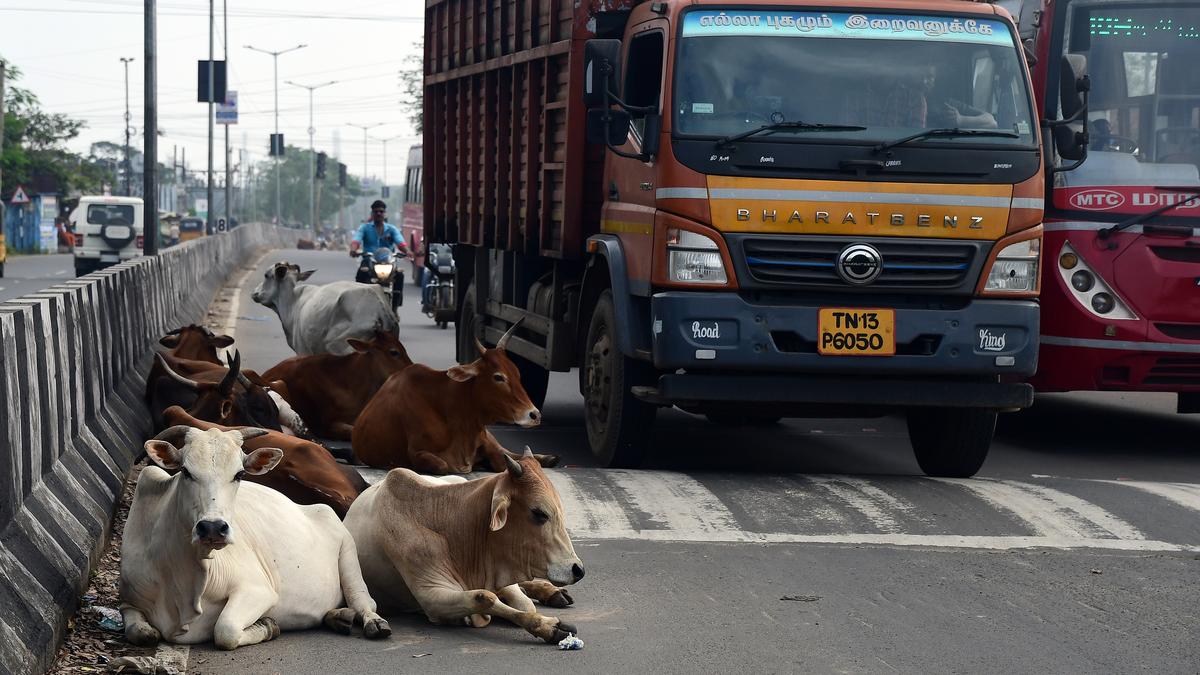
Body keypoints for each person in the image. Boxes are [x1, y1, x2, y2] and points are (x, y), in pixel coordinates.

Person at [880, 65, 997, 129]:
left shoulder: (947, 104)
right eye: (920, 76)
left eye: (930, 77)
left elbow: (991, 121)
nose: (924, 81)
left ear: (935, 81)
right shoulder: (895, 100)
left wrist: (961, 120)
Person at [350, 200, 406, 283]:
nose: (378, 213)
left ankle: (397, 295)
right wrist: (353, 250)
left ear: (385, 213)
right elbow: (356, 240)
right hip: (369, 261)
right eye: (376, 211)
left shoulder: (392, 229)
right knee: (361, 273)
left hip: (389, 262)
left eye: (381, 211)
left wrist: (408, 252)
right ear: (372, 214)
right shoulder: (364, 228)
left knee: (399, 275)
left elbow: (401, 243)